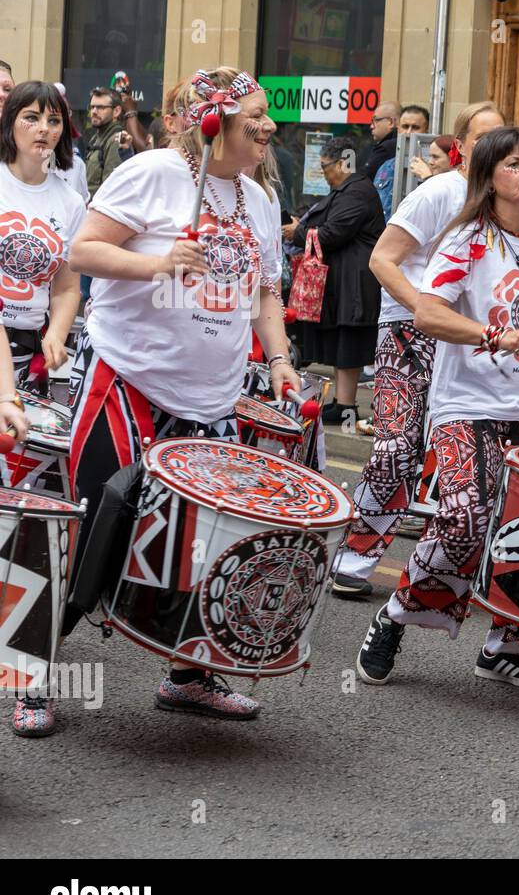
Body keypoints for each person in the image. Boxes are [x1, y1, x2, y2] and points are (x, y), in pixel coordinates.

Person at [58, 66, 298, 732]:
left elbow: (265, 292)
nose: (269, 128)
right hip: (130, 380)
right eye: (254, 119)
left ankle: (188, 676)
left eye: (267, 117)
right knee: (93, 535)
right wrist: (156, 265)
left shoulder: (258, 197)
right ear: (210, 123)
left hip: (213, 398)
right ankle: (37, 674)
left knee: (206, 546)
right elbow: (84, 250)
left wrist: (277, 359)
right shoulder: (156, 172)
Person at [355, 126, 519, 691]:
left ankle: (505, 644)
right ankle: (395, 616)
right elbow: (429, 315)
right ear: (488, 178)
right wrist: (491, 336)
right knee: (463, 517)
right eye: (515, 164)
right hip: (467, 404)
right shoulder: (466, 240)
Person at [330, 100, 504, 599]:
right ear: (462, 147)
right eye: (483, 137)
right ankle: (353, 556)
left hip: (473, 341)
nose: (493, 147)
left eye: (502, 137)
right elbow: (383, 260)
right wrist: (424, 309)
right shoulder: (436, 193)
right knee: (398, 446)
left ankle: (455, 572)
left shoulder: (505, 205)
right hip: (410, 330)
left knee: (474, 459)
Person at [286, 136, 385, 425]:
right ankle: (344, 405)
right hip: (347, 281)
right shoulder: (351, 190)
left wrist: (297, 232)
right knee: (345, 344)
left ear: (344, 163)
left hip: (355, 284)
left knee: (350, 343)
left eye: (326, 166)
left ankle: (346, 407)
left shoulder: (356, 192)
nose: (325, 173)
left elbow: (332, 233)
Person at [0, 82, 86, 390]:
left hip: (28, 348)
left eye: (53, 120)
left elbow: (66, 287)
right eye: (31, 117)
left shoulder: (71, 202)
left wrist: (57, 334)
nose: (43, 129)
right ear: (10, 121)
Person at [374, 104, 431, 219]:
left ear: (427, 130)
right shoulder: (386, 167)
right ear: (398, 129)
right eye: (405, 126)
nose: (409, 132)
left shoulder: (435, 168)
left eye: (415, 127)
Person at [83, 87, 128, 200]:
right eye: (92, 107)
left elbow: (112, 190)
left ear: (116, 111)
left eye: (100, 107)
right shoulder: (97, 137)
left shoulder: (117, 140)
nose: (93, 111)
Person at [364, 101, 402, 181]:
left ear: (391, 122)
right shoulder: (398, 144)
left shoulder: (385, 149)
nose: (371, 126)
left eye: (376, 120)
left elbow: (364, 176)